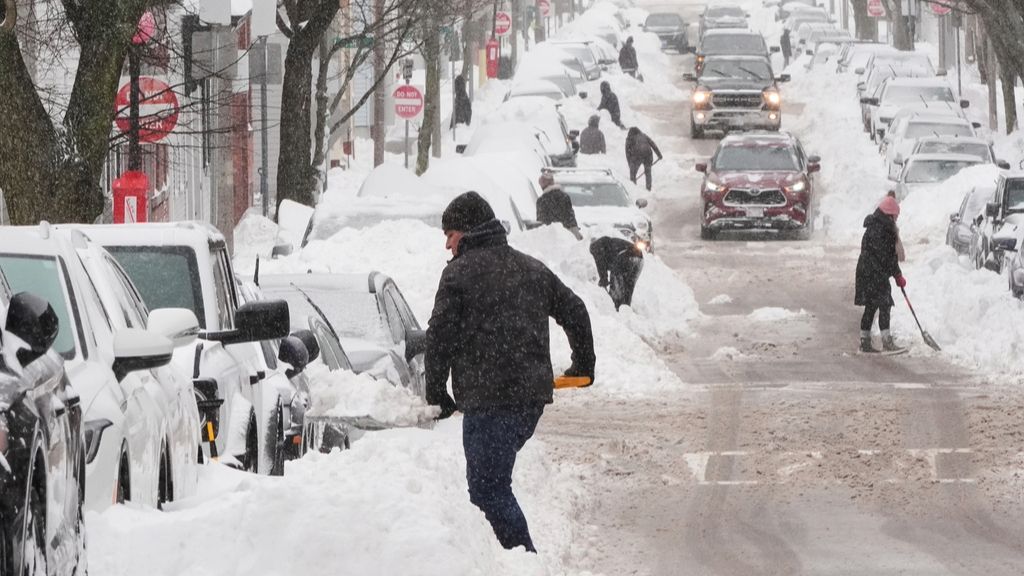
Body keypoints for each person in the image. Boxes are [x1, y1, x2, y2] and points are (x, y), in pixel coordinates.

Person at [425, 191, 596, 553]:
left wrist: (437, 393)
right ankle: (496, 559)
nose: (447, 245)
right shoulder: (531, 268)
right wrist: (584, 363)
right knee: (491, 484)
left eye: (450, 234)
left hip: (490, 400)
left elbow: (439, 338)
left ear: (467, 232)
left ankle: (523, 560)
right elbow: (575, 311)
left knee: (488, 488)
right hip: (529, 400)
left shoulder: (458, 275)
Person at [855, 195, 906, 353]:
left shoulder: (874, 226)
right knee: (885, 305)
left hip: (867, 272)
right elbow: (888, 257)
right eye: (895, 217)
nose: (896, 220)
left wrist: (896, 274)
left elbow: (885, 257)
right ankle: (886, 341)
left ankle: (865, 341)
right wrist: (898, 275)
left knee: (871, 306)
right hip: (874, 274)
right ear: (890, 215)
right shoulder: (883, 230)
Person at [590, 236, 644, 310]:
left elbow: (600, 263)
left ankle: (615, 309)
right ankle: (626, 310)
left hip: (625, 256)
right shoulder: (608, 243)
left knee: (616, 286)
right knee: (628, 287)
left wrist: (603, 280)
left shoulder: (596, 247)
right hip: (639, 259)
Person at [536, 171, 583, 239]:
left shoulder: (542, 201)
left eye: (541, 184)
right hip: (569, 234)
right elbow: (570, 216)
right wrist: (575, 232)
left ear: (543, 185)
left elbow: (542, 222)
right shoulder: (564, 196)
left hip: (552, 237)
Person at [625, 127, 663, 191]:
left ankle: (633, 187)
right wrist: (659, 154)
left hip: (637, 155)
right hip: (648, 154)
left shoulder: (630, 138)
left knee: (633, 173)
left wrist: (630, 165)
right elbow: (653, 144)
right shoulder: (644, 135)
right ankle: (648, 188)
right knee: (648, 171)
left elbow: (627, 153)